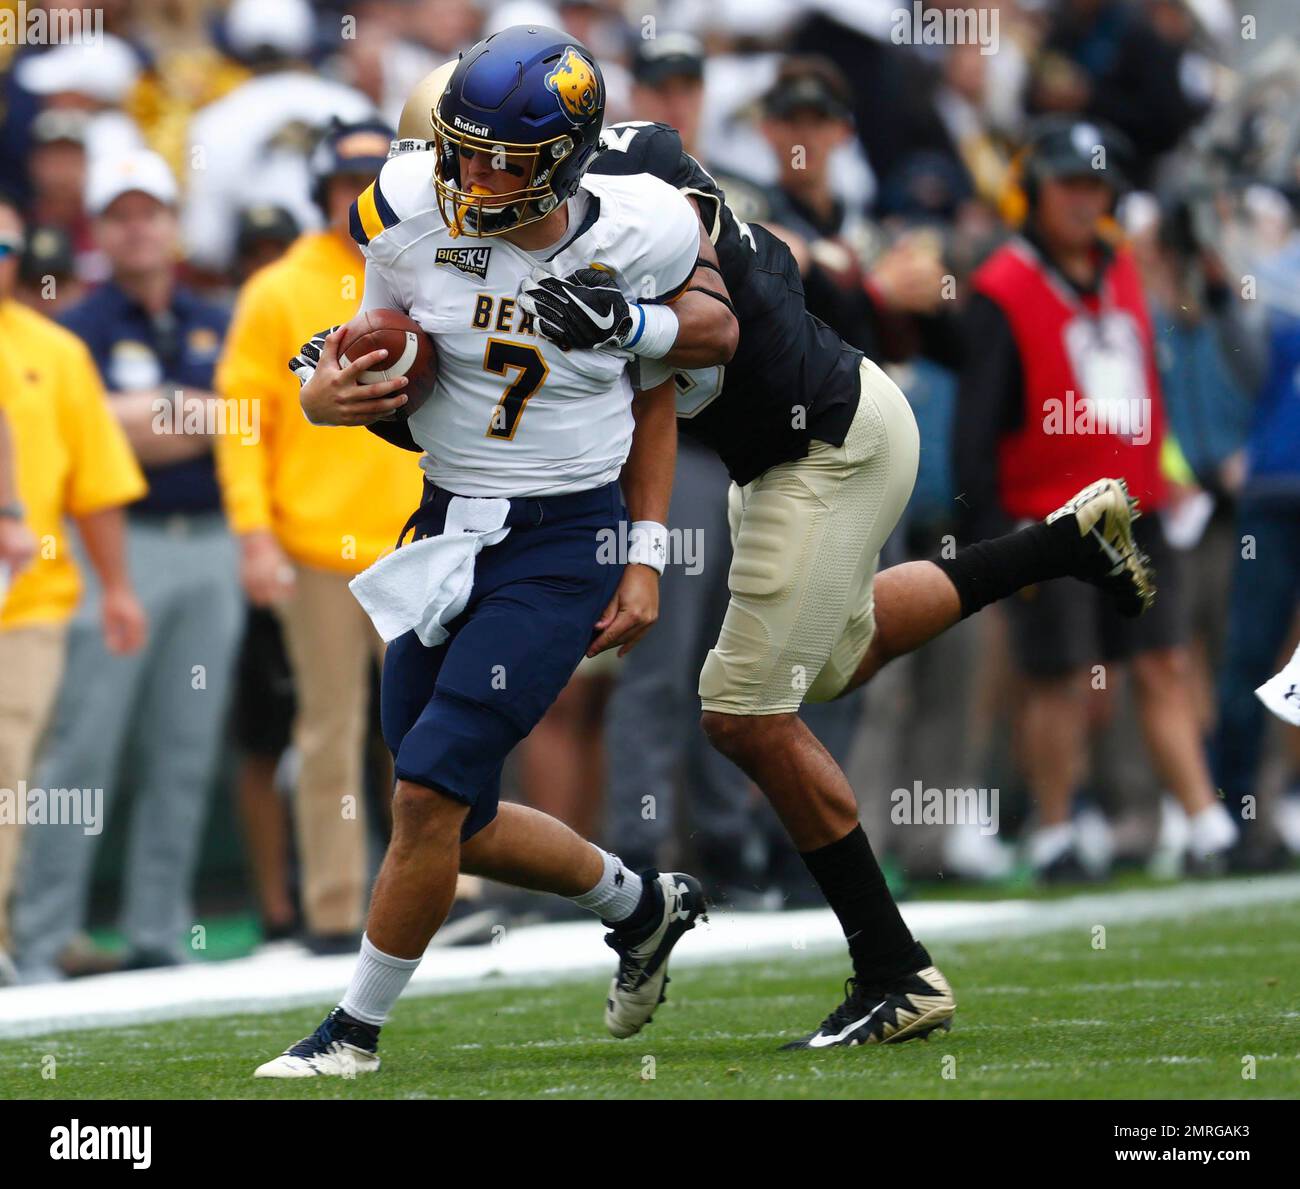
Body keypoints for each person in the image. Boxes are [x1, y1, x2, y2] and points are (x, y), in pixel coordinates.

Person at [541, 115, 1163, 1048]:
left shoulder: (636, 210)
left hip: (824, 447)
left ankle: (895, 969)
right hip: (805, 445)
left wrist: (626, 335)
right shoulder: (618, 202)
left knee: (743, 714)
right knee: (836, 658)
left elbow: (701, 335)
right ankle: (1064, 544)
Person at [253, 26, 738, 1078]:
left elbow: (705, 348)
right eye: (459, 149)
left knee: (428, 789)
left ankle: (354, 1032)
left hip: (567, 536)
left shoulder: (645, 221)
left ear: (566, 159)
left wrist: (643, 545)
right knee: (449, 813)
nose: (472, 174)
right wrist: (321, 389)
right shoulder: (404, 207)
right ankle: (641, 904)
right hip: (442, 522)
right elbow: (364, 340)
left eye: (502, 159)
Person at [956, 116, 1238, 879]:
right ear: (1035, 192)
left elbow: (1143, 384)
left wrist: (1164, 466)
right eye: (1070, 186)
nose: (1086, 202)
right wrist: (995, 541)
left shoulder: (1122, 272)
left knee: (1166, 661)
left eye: (1096, 187)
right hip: (1050, 514)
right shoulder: (1001, 289)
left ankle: (1205, 819)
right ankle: (1052, 830)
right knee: (1060, 678)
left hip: (1139, 505)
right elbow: (976, 427)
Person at [11, 149, 241, 981]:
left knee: (186, 747)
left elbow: (248, 418)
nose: (138, 227)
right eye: (121, 215)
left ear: (175, 224)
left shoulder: (213, 313)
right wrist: (191, 415)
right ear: (101, 231)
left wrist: (147, 416)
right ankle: (39, 936)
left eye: (151, 212)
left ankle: (159, 928)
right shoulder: (76, 324)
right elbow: (94, 433)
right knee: (83, 748)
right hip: (116, 543)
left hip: (210, 541)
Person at [214, 117, 419, 955]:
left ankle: (450, 886)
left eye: (372, 180)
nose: (358, 196)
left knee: (428, 726)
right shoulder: (277, 288)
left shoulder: (419, 264)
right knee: (329, 728)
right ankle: (336, 908)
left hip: (414, 537)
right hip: (316, 539)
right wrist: (254, 535)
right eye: (345, 183)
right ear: (322, 191)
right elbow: (239, 421)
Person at [0, 191, 146, 984]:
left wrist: (118, 587)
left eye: (5, 249)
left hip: (29, 597)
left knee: (7, 766)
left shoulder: (54, 351)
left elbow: (95, 483)